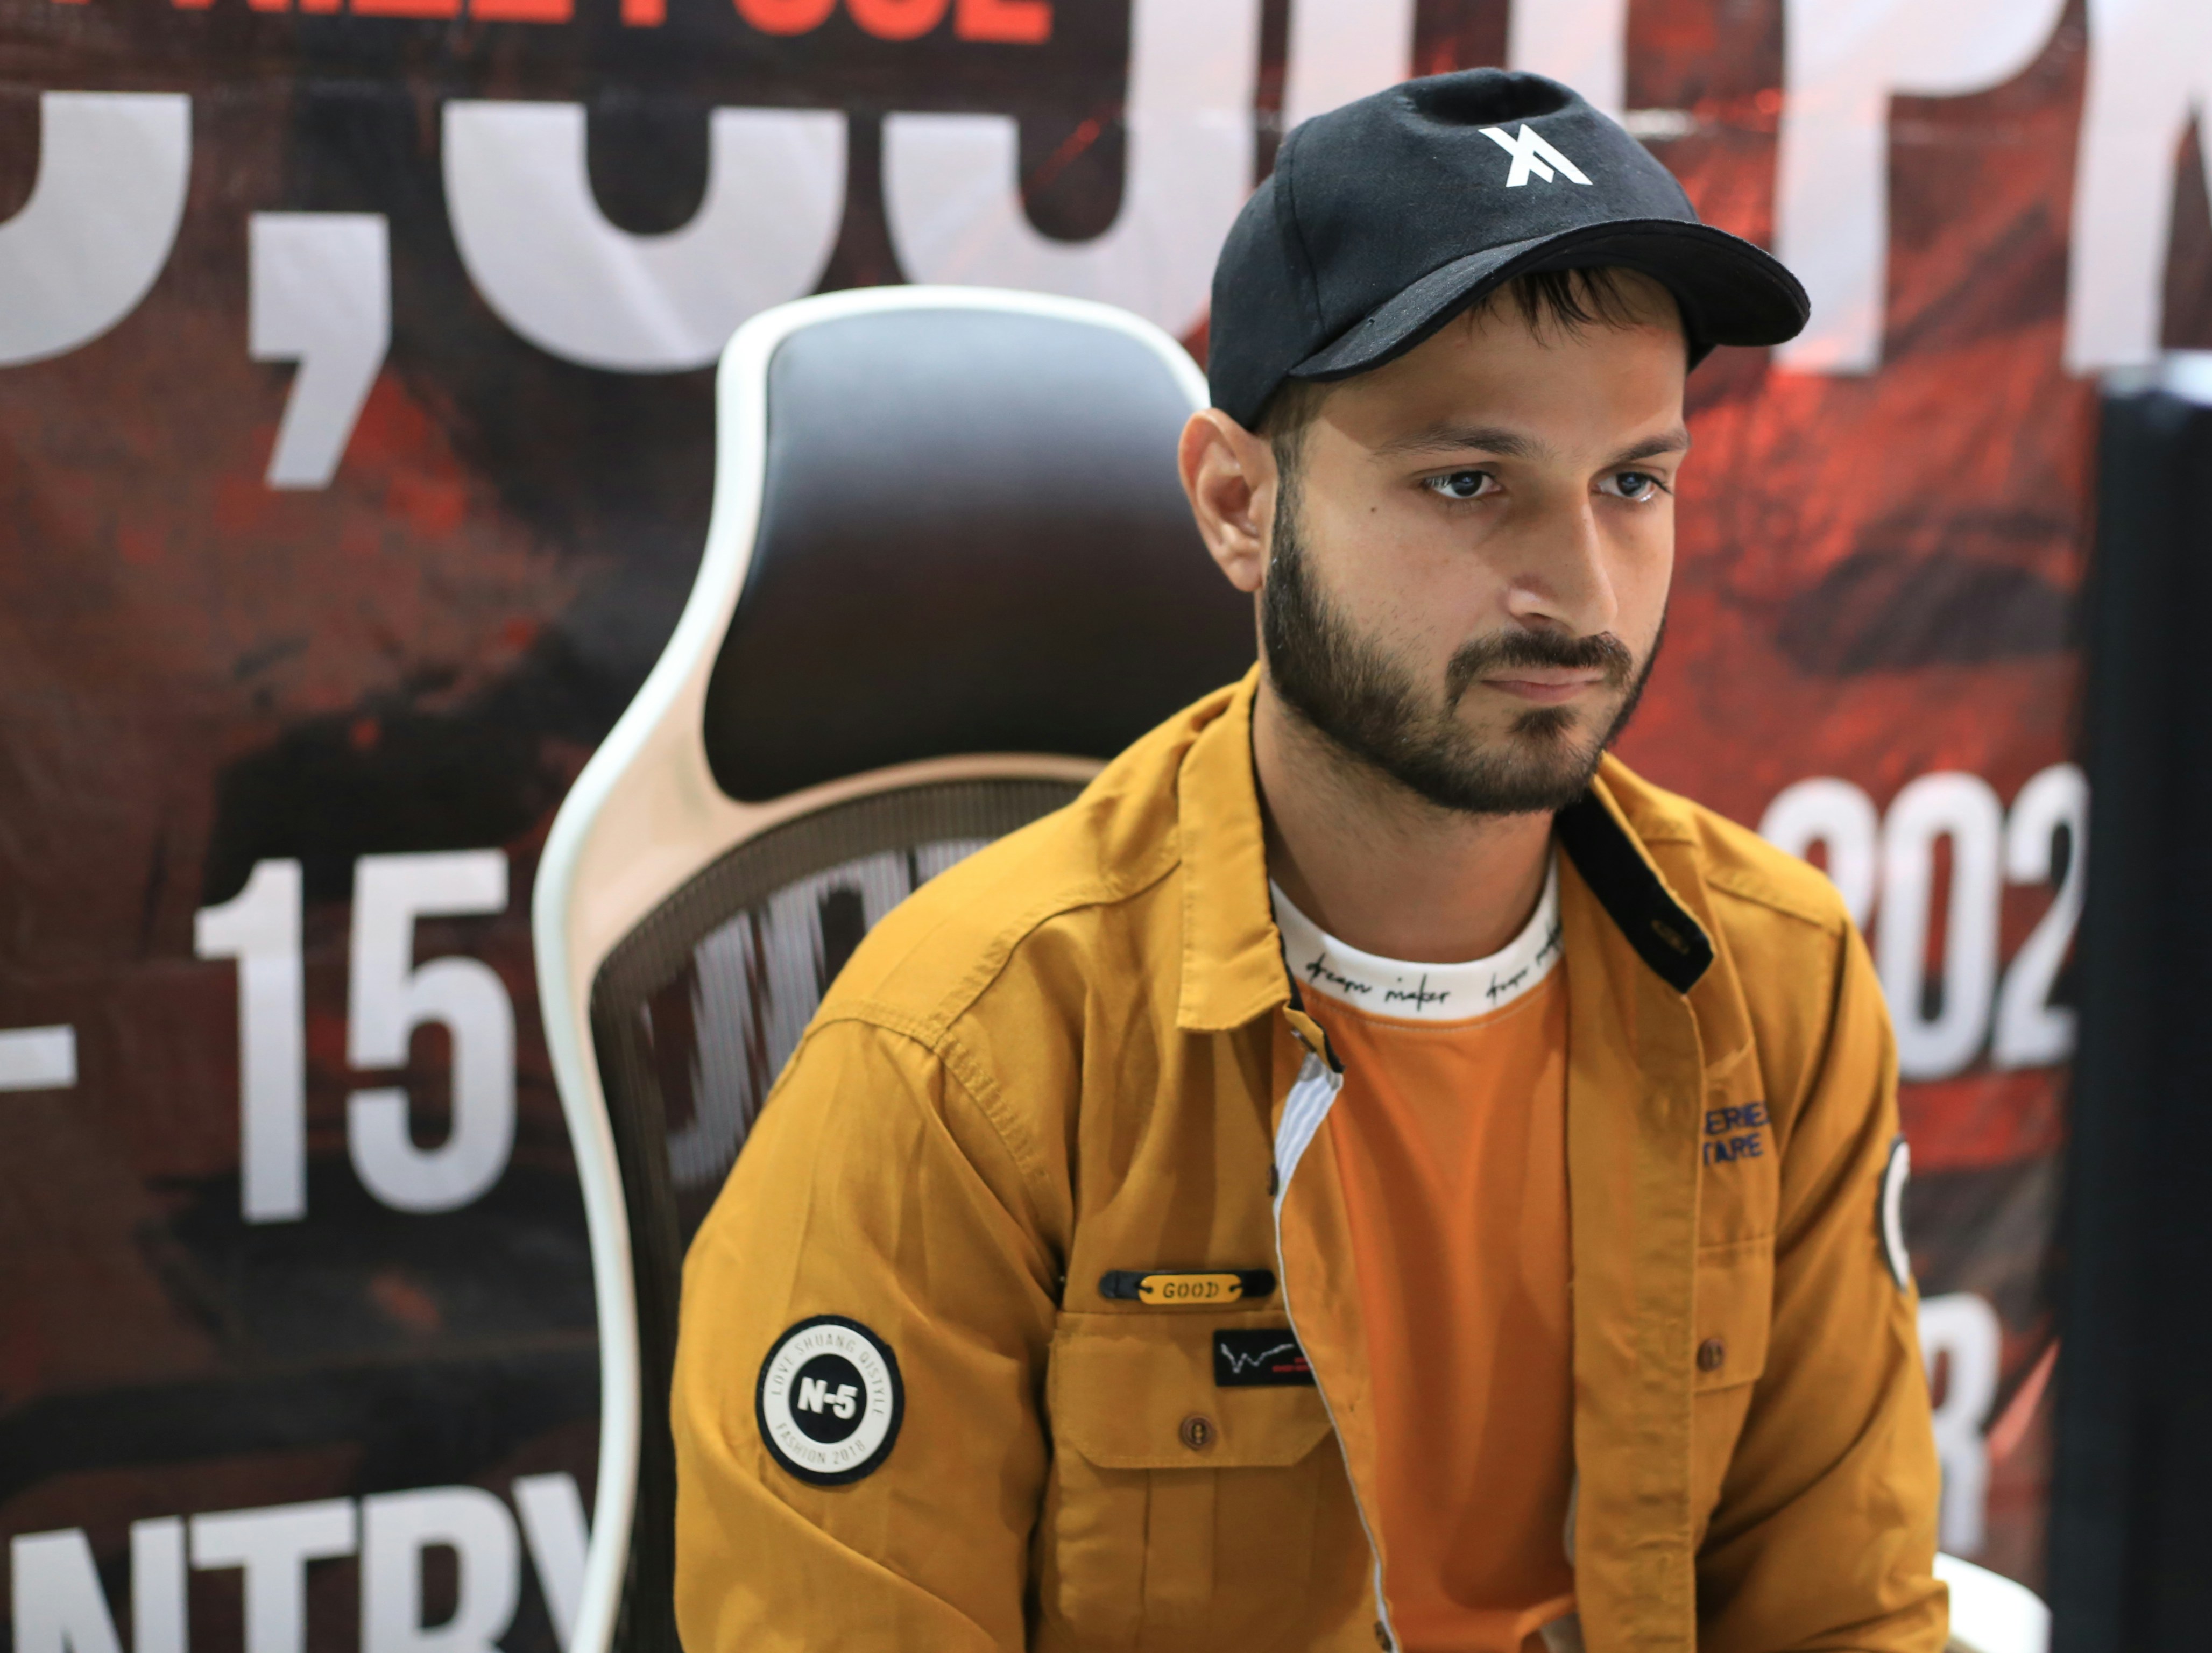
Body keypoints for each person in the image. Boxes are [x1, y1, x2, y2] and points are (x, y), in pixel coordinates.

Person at [670, 68, 1945, 1653]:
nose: (1577, 584)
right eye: (1467, 482)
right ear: (1237, 505)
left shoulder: (1776, 977)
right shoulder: (963, 1058)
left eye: (1633, 482)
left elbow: (1849, 1617)